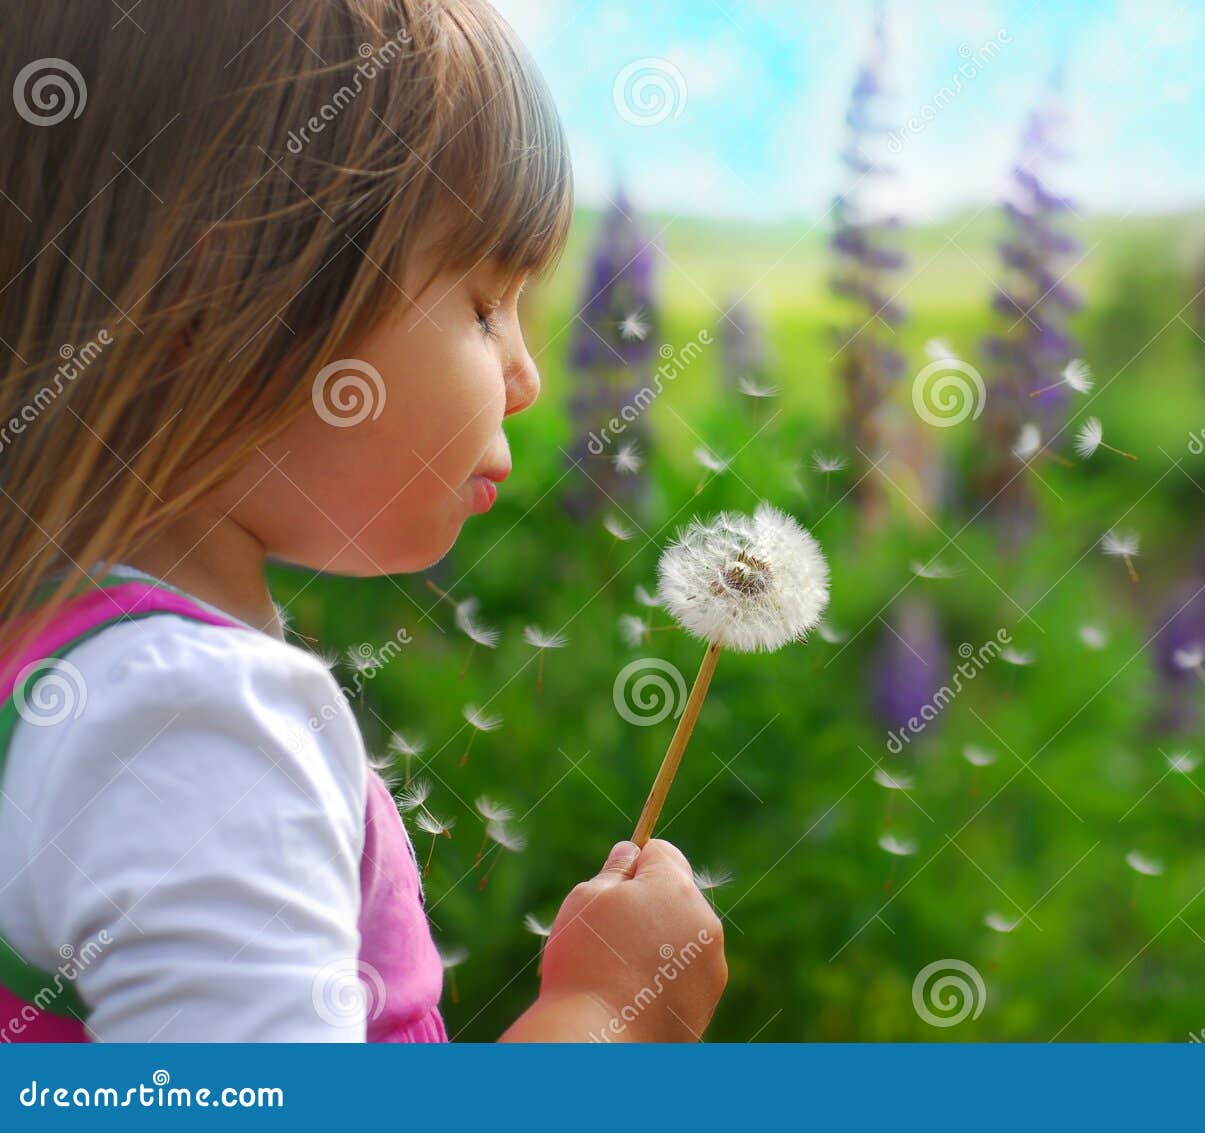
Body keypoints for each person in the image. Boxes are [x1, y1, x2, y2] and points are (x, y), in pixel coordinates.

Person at [0, 0, 725, 1042]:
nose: (524, 377)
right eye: (482, 303)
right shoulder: (195, 728)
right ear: (212, 309)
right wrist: (609, 1011)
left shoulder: (60, 652)